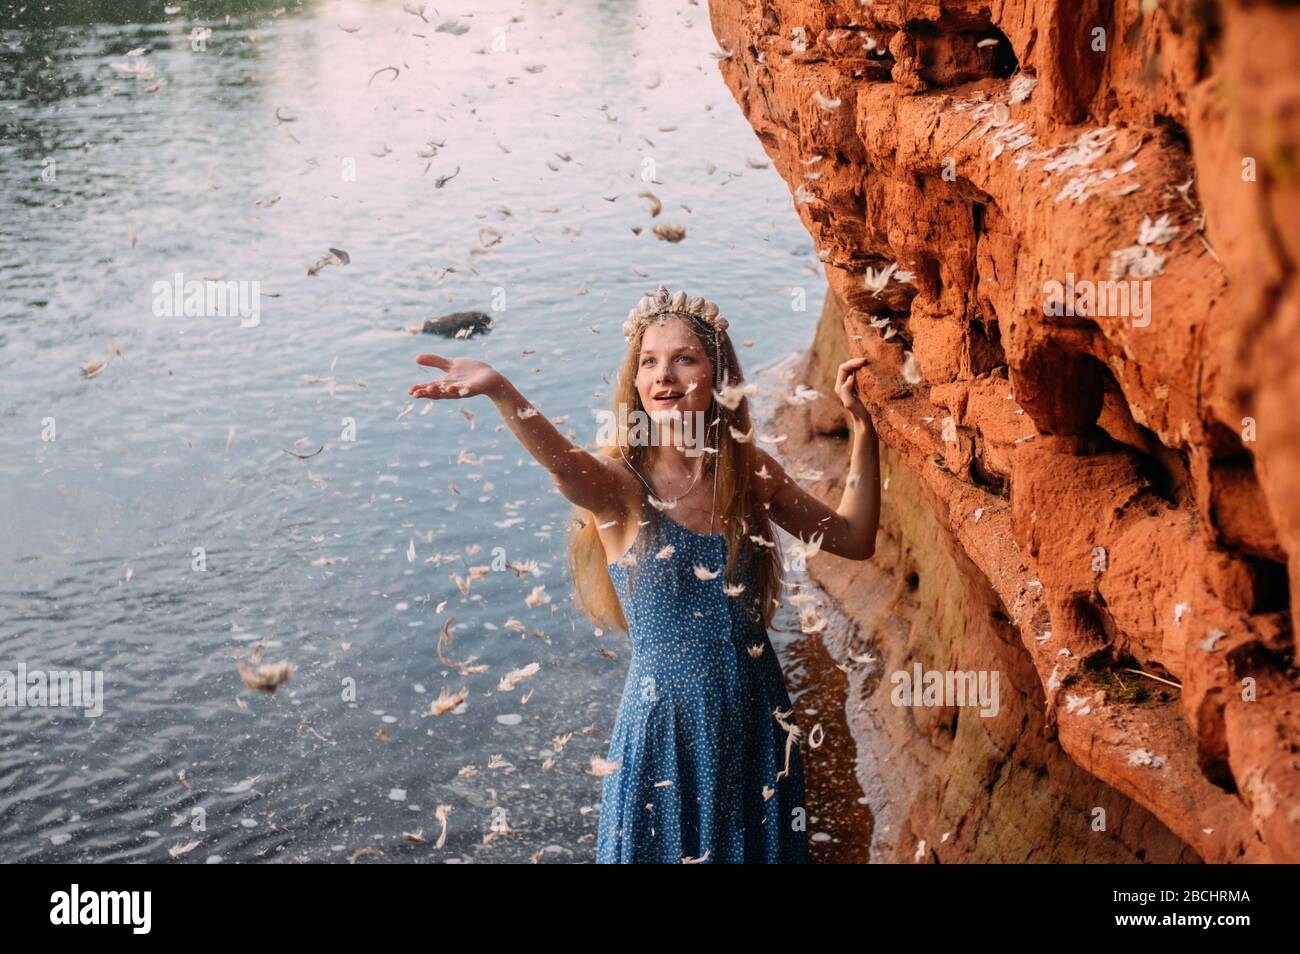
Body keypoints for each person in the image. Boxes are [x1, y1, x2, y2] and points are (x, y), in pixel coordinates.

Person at [408, 284, 880, 862]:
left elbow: (853, 540)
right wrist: (502, 391)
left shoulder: (751, 474)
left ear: (718, 376)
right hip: (666, 732)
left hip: (757, 718)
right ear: (635, 383)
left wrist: (864, 431)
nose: (665, 376)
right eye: (650, 362)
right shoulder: (621, 487)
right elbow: (563, 467)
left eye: (685, 358)